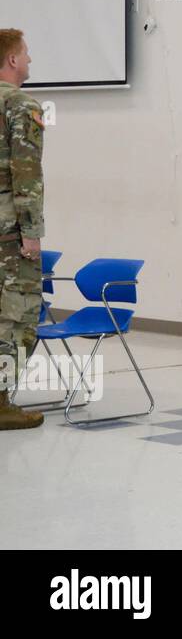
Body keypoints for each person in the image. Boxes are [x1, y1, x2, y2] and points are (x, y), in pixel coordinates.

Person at [0, 29, 44, 431]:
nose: (29, 59)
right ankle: (0, 400)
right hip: (9, 231)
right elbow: (25, 173)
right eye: (25, 54)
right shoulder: (21, 105)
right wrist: (31, 231)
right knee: (19, 314)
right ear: (12, 60)